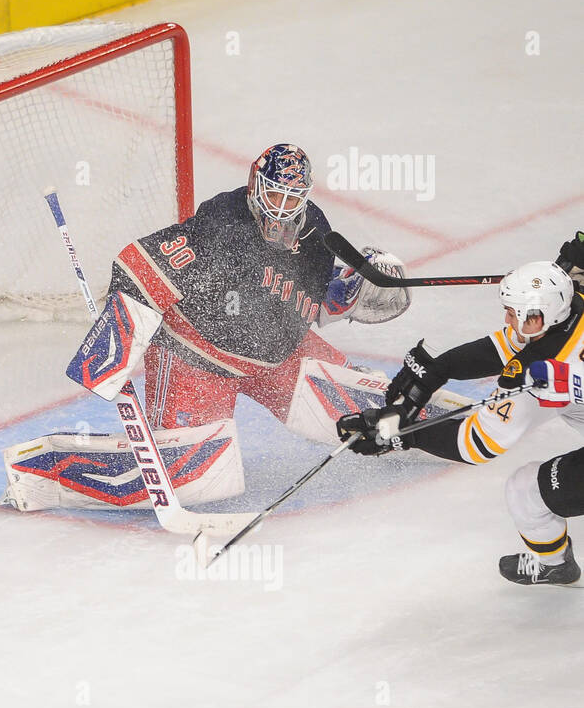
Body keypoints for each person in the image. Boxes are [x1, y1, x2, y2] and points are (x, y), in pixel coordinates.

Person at [99, 142, 411, 502]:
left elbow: (310, 297)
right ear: (255, 185)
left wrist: (353, 287)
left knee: (374, 415)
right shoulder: (221, 222)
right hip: (198, 360)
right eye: (274, 194)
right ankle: (50, 472)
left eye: (292, 199)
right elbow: (140, 264)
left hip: (281, 357)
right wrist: (116, 335)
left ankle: (443, 428)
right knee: (199, 477)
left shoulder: (316, 231)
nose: (281, 208)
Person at [337, 235, 584, 586]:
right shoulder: (572, 310)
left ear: (541, 317)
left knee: (524, 491)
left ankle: (554, 564)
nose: (509, 320)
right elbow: (502, 348)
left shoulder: (538, 372)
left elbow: (477, 444)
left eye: (517, 315)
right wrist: (435, 371)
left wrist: (403, 435)